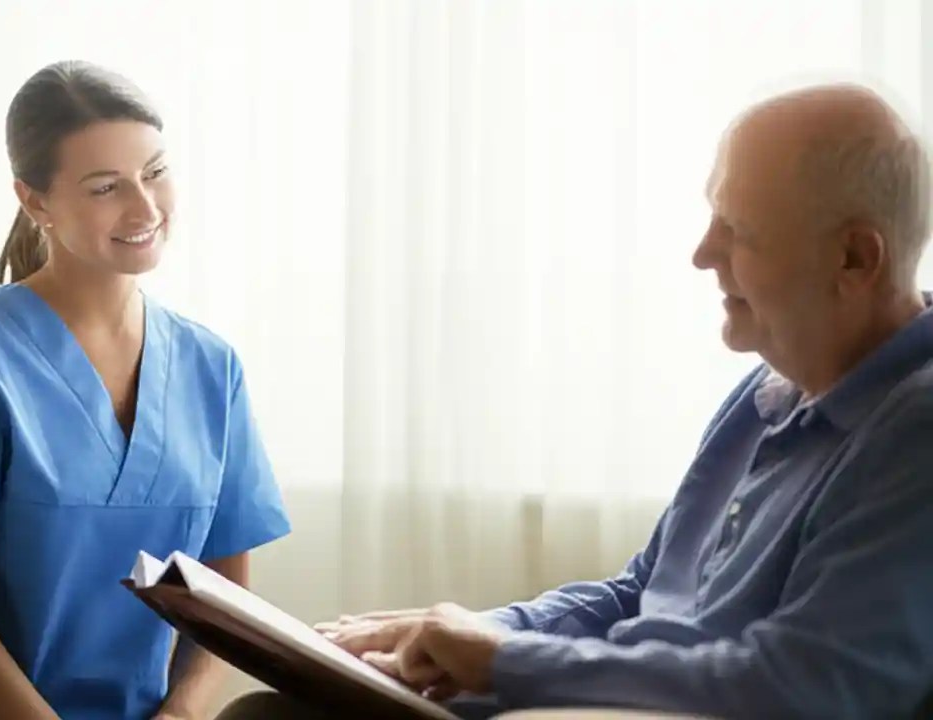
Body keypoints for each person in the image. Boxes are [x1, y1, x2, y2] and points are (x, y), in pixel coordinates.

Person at [218, 83, 933, 719]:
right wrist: (472, 631)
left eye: (738, 231)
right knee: (269, 712)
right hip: (600, 692)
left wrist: (503, 663)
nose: (702, 254)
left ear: (853, 260)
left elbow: (812, 685)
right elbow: (643, 592)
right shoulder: (768, 386)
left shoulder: (913, 427)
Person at [0, 60, 290, 720]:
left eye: (155, 172)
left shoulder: (211, 368)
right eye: (106, 187)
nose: (144, 207)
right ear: (34, 200)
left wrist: (183, 711)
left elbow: (223, 599)